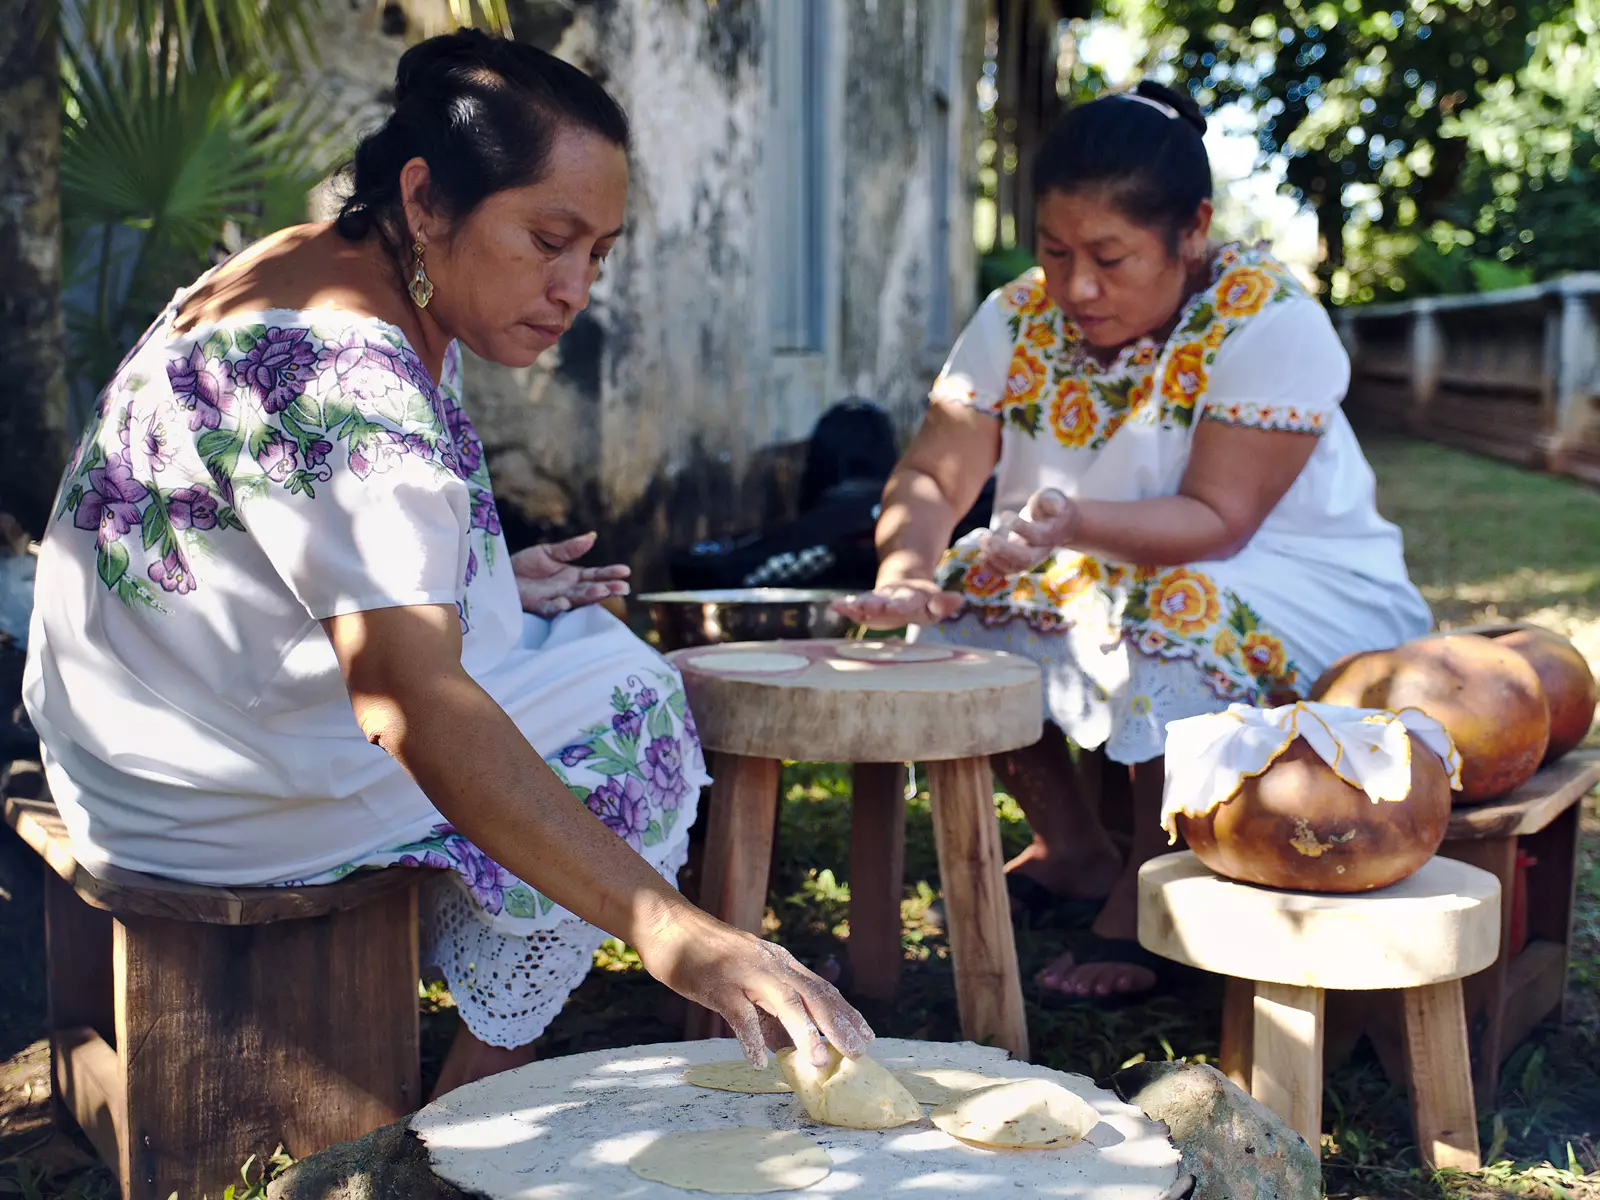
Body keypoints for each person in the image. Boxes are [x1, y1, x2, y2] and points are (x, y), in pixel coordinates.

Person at [23, 29, 870, 1098]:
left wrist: (484, 584)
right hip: (216, 795)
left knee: (577, 645)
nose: (573, 288)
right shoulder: (357, 379)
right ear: (426, 200)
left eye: (598, 253)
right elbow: (407, 703)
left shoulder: (303, 266)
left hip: (119, 746)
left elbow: (257, 542)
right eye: (548, 239)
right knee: (638, 701)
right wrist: (679, 933)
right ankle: (471, 1101)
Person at [835, 81, 1431, 1005]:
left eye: (1110, 258)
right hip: (1093, 563)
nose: (1075, 287)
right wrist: (909, 572)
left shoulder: (1268, 320)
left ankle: (1150, 890)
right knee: (969, 591)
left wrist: (1071, 522)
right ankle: (1071, 848)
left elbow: (1217, 521)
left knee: (1168, 605)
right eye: (1056, 251)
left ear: (1193, 230)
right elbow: (931, 478)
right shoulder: (1016, 316)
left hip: (1289, 575)